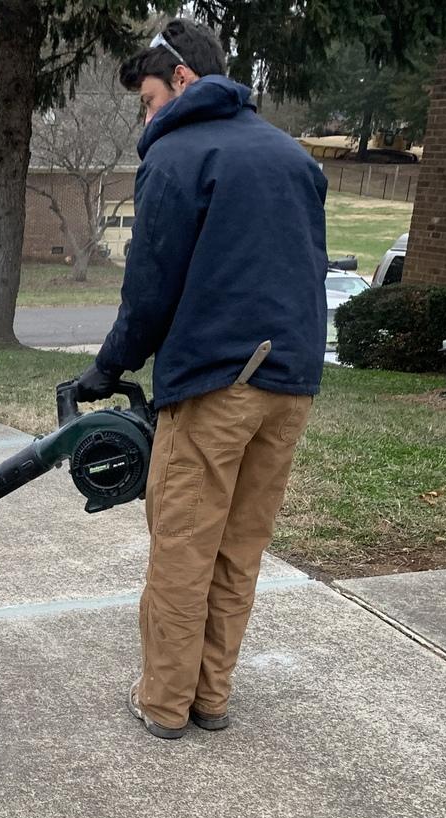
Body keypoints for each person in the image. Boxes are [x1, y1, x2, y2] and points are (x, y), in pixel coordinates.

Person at [61, 19, 327, 740]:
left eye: (148, 99)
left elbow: (151, 288)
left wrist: (108, 366)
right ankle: (210, 697)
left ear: (182, 79)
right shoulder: (294, 158)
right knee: (239, 547)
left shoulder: (178, 154)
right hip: (291, 383)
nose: (146, 116)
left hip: (217, 384)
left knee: (183, 546)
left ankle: (164, 703)